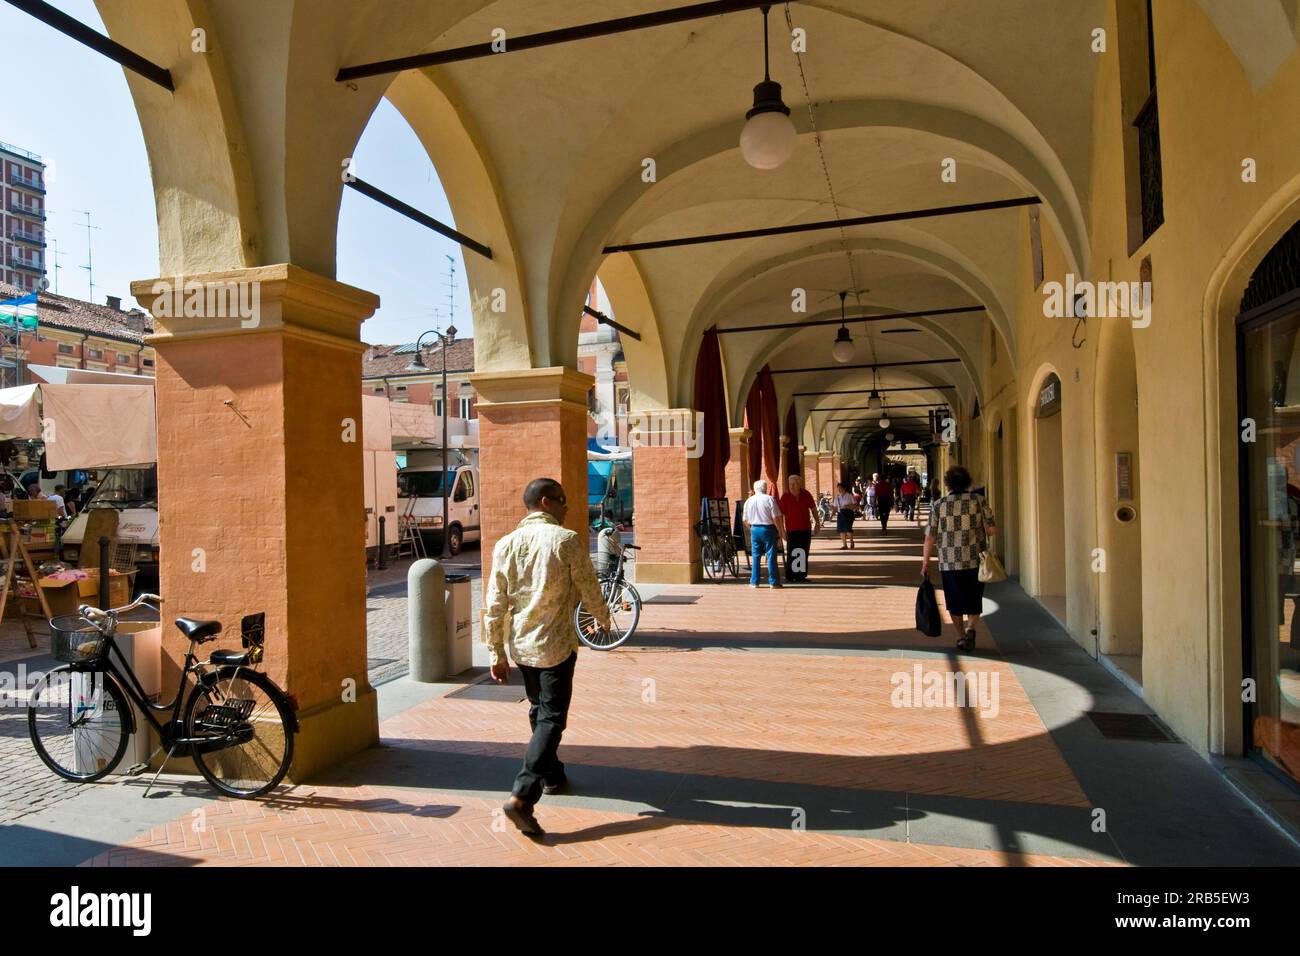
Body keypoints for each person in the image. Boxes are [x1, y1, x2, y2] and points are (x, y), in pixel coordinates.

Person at [483, 477, 612, 838]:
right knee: (552, 717)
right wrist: (602, 619)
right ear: (545, 502)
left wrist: (496, 651)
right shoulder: (566, 540)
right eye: (563, 500)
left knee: (540, 710)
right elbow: (589, 585)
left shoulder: (505, 544)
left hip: (522, 647)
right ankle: (522, 796)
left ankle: (552, 774)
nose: (568, 507)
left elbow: (495, 604)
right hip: (555, 647)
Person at [921, 465, 998, 652]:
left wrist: (925, 563)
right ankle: (971, 627)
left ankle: (961, 637)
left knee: (954, 602)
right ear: (967, 481)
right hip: (975, 559)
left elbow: (930, 536)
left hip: (949, 562)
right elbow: (992, 530)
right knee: (974, 598)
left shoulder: (939, 505)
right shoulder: (979, 501)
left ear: (947, 484)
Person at [742, 478, 784, 588]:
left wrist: (751, 528)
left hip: (754, 529)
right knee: (771, 556)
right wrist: (779, 530)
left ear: (755, 489)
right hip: (768, 529)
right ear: (765, 488)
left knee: (756, 556)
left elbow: (745, 520)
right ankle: (774, 582)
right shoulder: (770, 499)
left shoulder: (748, 501)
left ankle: (754, 582)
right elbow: (775, 517)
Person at [778, 474, 819, 582]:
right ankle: (791, 576)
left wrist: (817, 523)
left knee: (803, 552)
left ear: (799, 484)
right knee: (793, 552)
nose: (791, 486)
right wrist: (782, 530)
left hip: (805, 528)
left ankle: (801, 576)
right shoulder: (785, 496)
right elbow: (780, 514)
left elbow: (813, 509)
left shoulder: (806, 494)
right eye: (790, 484)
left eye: (794, 484)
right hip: (791, 530)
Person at [833, 481, 858, 549]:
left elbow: (856, 505)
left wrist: (847, 506)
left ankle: (851, 541)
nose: (839, 489)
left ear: (844, 488)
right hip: (840, 514)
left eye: (840, 488)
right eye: (838, 488)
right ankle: (845, 545)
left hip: (849, 514)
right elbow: (835, 507)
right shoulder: (837, 497)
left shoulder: (849, 495)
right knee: (841, 530)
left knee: (848, 529)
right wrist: (831, 515)